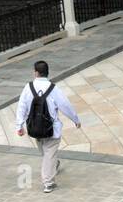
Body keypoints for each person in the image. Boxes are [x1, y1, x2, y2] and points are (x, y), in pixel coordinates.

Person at [15, 60, 82, 194]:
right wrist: (75, 119)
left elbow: (21, 107)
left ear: (36, 72)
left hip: (35, 128)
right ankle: (48, 183)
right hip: (51, 129)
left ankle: (51, 173)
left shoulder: (28, 87)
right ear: (47, 72)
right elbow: (65, 105)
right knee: (48, 154)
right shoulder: (53, 88)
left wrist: (19, 125)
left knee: (46, 153)